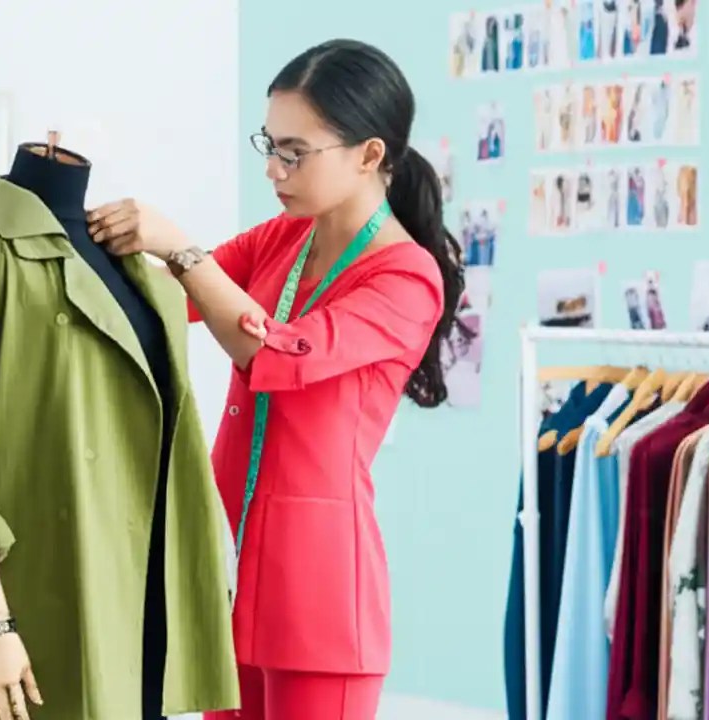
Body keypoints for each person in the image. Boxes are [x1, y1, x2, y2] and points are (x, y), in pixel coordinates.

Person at [87, 38, 461, 720]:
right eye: (271, 144)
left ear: (369, 155)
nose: (273, 168)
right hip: (227, 569)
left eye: (294, 151)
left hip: (321, 595)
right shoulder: (283, 238)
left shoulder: (405, 278)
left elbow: (273, 355)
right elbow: (173, 300)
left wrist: (176, 242)